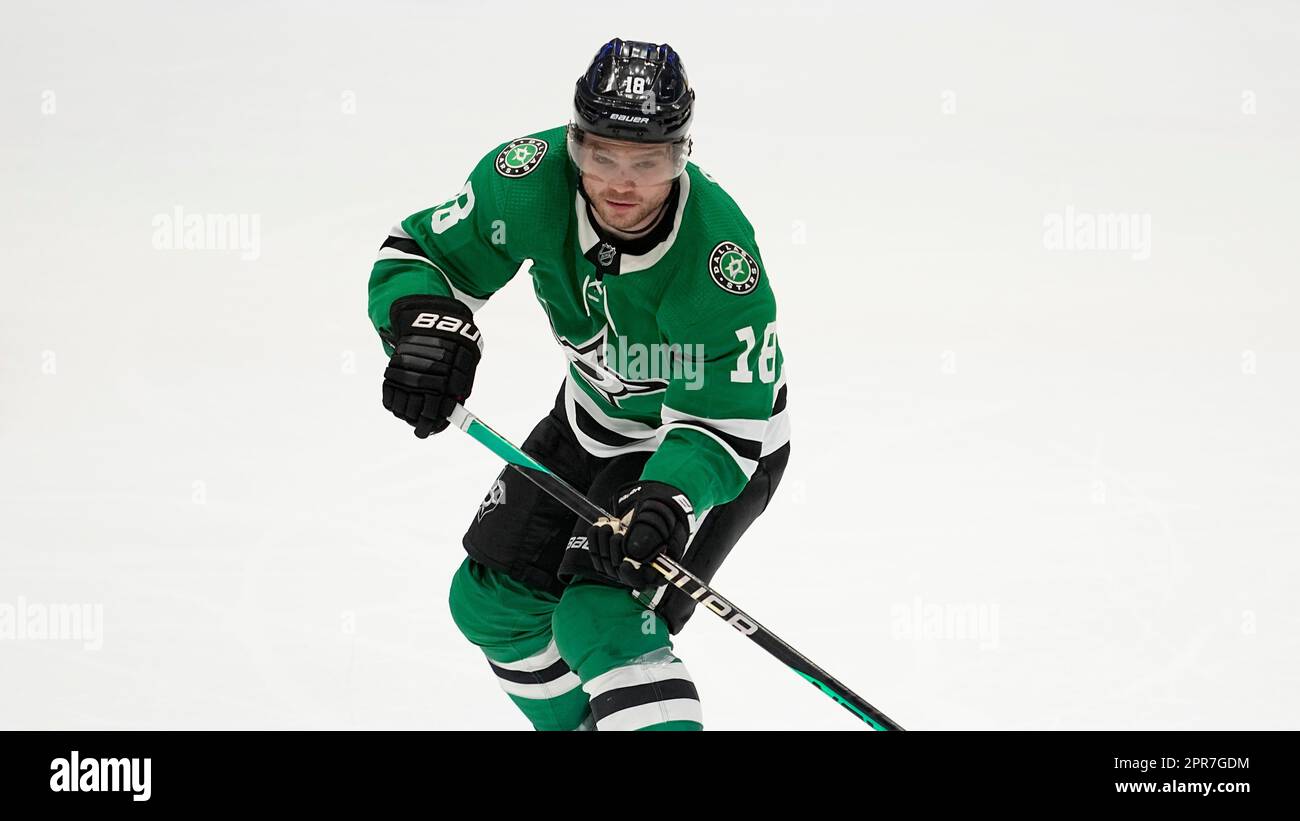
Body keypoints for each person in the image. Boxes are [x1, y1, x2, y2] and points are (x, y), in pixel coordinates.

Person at [366, 38, 790, 731]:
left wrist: (671, 500)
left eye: (648, 161)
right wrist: (424, 325)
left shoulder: (719, 257)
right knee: (492, 604)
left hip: (711, 450)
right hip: (591, 422)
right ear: (573, 141)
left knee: (602, 613)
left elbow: (726, 420)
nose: (622, 183)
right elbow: (424, 251)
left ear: (683, 154)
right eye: (600, 156)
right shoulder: (526, 180)